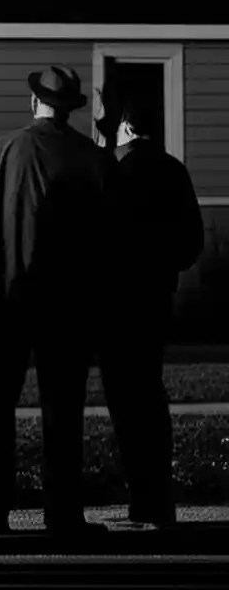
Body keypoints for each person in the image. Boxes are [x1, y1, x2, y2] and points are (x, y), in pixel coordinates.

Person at [0, 64, 114, 538]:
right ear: (70, 109)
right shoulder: (92, 159)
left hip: (6, 297)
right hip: (66, 304)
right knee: (62, 410)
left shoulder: (3, 151)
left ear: (34, 103)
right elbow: (107, 238)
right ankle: (63, 515)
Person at [98, 86, 203, 528]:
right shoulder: (173, 171)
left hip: (114, 301)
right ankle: (158, 499)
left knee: (123, 401)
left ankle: (140, 497)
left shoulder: (111, 171)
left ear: (124, 126)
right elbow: (191, 244)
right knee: (150, 394)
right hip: (155, 299)